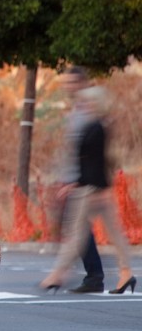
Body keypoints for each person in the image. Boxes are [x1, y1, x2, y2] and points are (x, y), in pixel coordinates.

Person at [40, 85, 134, 294]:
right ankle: (126, 272)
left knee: (76, 232)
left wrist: (81, 184)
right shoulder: (95, 126)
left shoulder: (97, 128)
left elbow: (96, 162)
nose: (85, 105)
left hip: (91, 189)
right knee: (110, 232)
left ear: (97, 104)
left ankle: (57, 274)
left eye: (89, 102)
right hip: (95, 187)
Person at [54, 67, 105, 293]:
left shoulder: (89, 112)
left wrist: (79, 180)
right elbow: (71, 150)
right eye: (67, 82)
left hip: (85, 181)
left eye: (73, 82)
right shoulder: (75, 112)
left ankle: (92, 275)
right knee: (79, 228)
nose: (69, 86)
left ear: (83, 83)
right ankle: (93, 275)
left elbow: (91, 150)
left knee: (77, 228)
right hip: (75, 179)